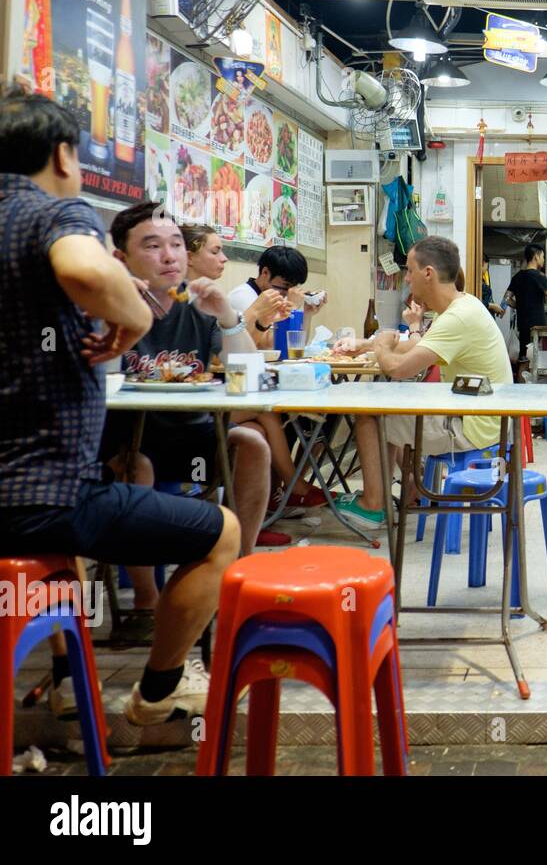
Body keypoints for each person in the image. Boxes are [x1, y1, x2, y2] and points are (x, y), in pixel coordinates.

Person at [0, 87, 238, 724]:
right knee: (222, 532)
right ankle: (155, 694)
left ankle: (68, 675)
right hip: (40, 496)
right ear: (62, 154)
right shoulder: (49, 212)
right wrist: (132, 317)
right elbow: (83, 269)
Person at [100, 201, 286, 556]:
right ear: (121, 259)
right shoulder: (107, 306)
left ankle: (238, 564)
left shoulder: (199, 308)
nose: (169, 256)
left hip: (190, 434)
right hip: (126, 437)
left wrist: (228, 318)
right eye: (152, 246)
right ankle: (145, 598)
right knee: (133, 466)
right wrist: (114, 309)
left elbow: (250, 382)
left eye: (176, 244)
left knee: (252, 443)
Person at [334, 237, 513, 528]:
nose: (406, 278)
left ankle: (373, 503)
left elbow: (398, 369)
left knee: (369, 413)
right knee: (396, 414)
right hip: (483, 418)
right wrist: (365, 345)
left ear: (427, 273)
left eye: (409, 270)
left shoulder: (457, 317)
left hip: (473, 426)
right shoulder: (462, 307)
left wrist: (380, 344)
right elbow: (418, 348)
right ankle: (414, 490)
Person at [183, 223, 326, 515]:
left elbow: (253, 349)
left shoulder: (208, 297)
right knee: (267, 410)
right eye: (216, 251)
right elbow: (240, 355)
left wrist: (297, 314)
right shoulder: (234, 297)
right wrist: (258, 314)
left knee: (260, 427)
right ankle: (292, 489)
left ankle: (270, 507)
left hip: (216, 392)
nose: (224, 259)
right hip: (197, 401)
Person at [227, 245, 326, 349]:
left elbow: (297, 345)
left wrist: (307, 314)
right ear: (265, 273)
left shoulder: (275, 297)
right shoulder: (242, 296)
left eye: (294, 286)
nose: (289, 292)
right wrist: (292, 308)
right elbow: (268, 345)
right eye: (285, 286)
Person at [505, 243, 547, 372]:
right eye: (543, 257)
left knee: (524, 358)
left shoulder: (517, 277)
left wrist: (522, 306)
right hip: (537, 326)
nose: (544, 260)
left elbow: (507, 299)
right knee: (537, 360)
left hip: (523, 326)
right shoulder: (539, 276)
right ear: (536, 257)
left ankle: (521, 388)